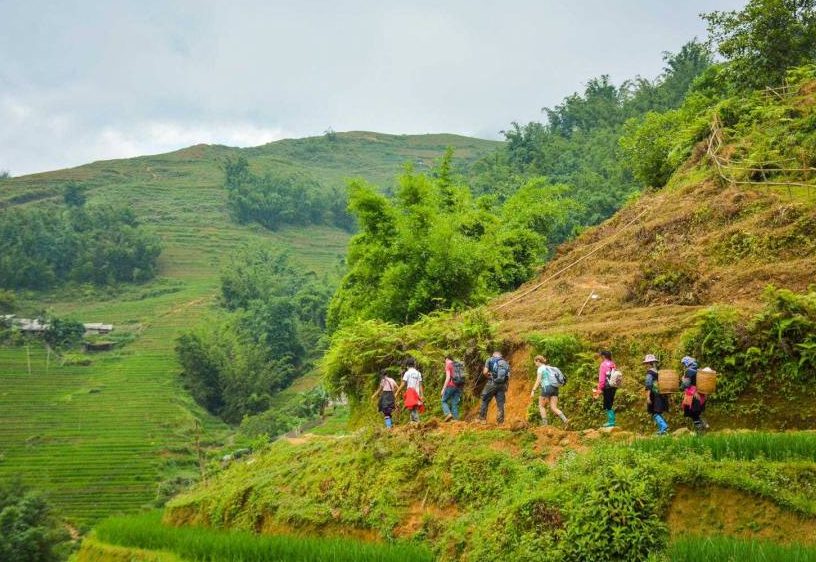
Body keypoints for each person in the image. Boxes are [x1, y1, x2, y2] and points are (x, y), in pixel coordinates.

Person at [530, 355, 568, 428]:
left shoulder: (540, 369)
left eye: (535, 362)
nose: (535, 364)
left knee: (541, 406)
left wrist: (533, 390)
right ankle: (565, 420)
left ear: (538, 361)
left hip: (546, 388)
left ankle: (545, 425)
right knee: (554, 407)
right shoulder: (549, 367)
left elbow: (538, 380)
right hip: (555, 388)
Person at [479, 350, 510, 424]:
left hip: (492, 383)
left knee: (485, 399)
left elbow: (485, 372)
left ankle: (482, 419)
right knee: (500, 403)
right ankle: (500, 422)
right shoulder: (505, 363)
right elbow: (508, 376)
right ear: (500, 356)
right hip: (502, 385)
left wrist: (489, 377)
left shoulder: (490, 360)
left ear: (493, 355)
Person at [680, 356, 708, 433]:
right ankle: (702, 426)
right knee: (697, 412)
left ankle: (700, 429)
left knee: (692, 413)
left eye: (684, 364)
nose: (683, 366)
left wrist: (682, 381)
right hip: (701, 394)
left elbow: (686, 384)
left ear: (687, 363)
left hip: (692, 395)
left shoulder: (689, 371)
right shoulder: (699, 370)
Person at [642, 354, 669, 435]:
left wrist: (648, 397)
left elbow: (648, 385)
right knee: (658, 412)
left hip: (654, 394)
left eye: (646, 363)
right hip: (661, 394)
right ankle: (662, 430)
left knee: (655, 412)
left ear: (649, 363)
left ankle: (664, 426)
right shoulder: (658, 372)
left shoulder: (649, 373)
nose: (645, 365)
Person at [395, 357, 424, 423]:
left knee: (412, 408)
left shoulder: (407, 373)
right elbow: (420, 385)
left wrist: (397, 392)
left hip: (410, 394)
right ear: (414, 364)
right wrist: (422, 395)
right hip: (417, 394)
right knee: (414, 408)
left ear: (407, 365)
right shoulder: (418, 373)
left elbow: (403, 384)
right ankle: (413, 423)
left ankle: (417, 422)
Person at [593, 350, 617, 427]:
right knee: (610, 402)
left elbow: (602, 379)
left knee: (607, 404)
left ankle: (611, 422)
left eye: (601, 356)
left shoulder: (603, 365)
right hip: (614, 386)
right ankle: (611, 421)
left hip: (606, 387)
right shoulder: (613, 364)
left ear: (603, 356)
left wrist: (599, 388)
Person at [440, 355, 462, 422]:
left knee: (443, 400)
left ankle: (448, 414)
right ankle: (456, 420)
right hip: (459, 386)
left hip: (451, 386)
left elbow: (448, 377)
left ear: (446, 359)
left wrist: (443, 388)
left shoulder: (448, 364)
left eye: (445, 361)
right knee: (454, 403)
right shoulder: (457, 364)